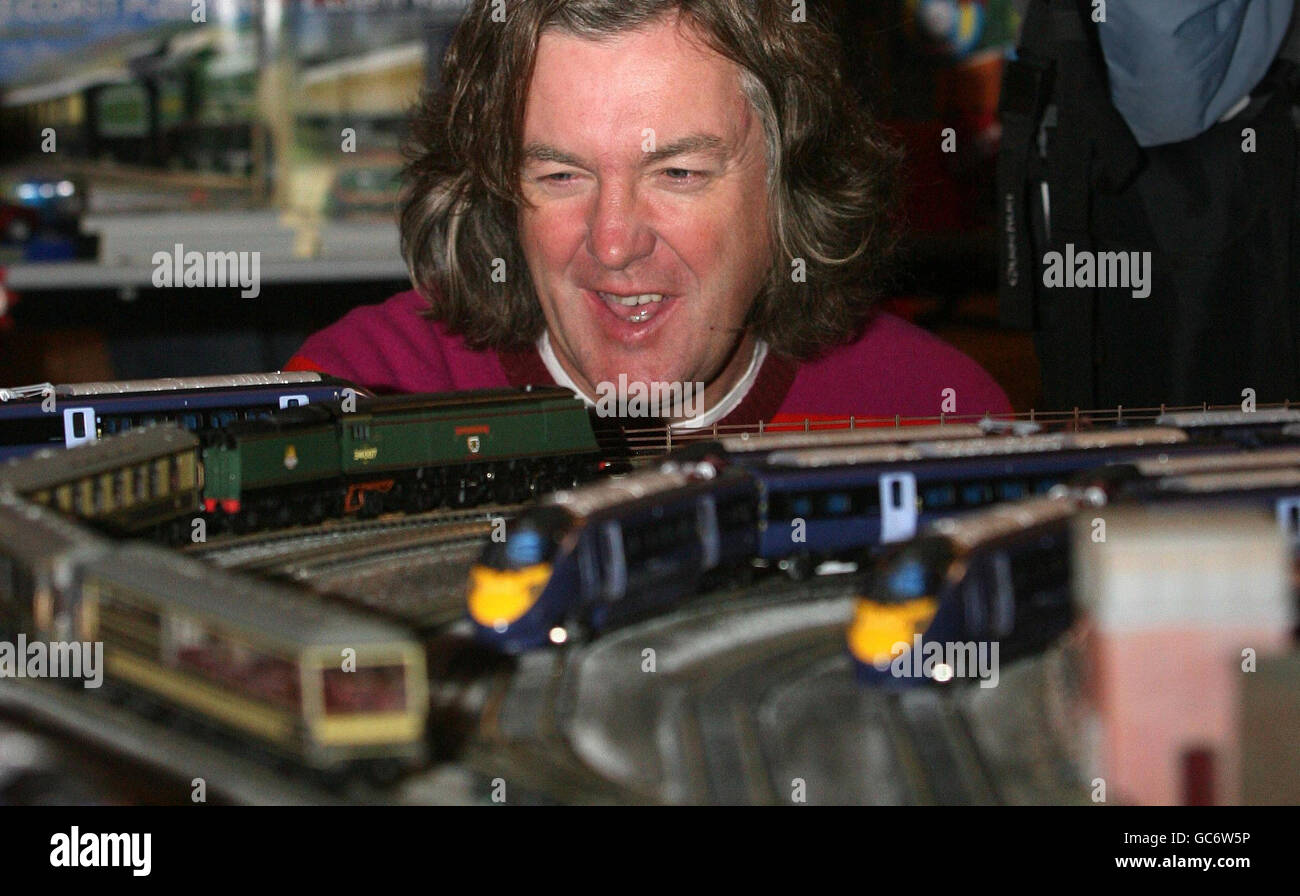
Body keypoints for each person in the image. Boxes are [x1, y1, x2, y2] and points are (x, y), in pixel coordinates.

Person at [288, 0, 1012, 427]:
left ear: (789, 180)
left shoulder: (931, 415)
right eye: (561, 174)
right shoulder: (359, 396)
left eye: (679, 172)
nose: (612, 244)